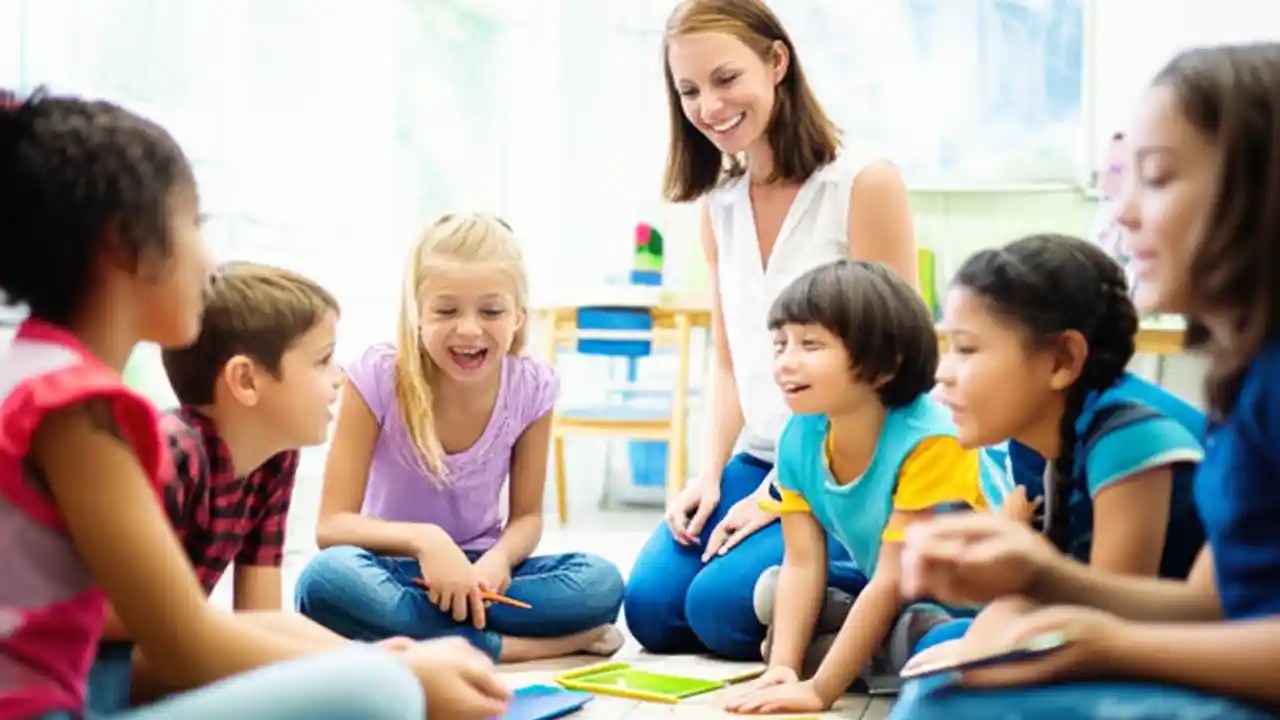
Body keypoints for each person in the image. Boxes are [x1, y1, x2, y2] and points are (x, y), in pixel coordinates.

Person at [0, 89, 508, 719]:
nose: (210, 259)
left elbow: (229, 622)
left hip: (83, 684)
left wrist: (379, 659)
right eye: (196, 226)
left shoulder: (37, 374)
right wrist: (396, 673)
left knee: (368, 671)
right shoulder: (77, 410)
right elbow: (185, 644)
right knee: (384, 693)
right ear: (125, 245)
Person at [892, 43, 1280, 719]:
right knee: (949, 682)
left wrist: (1110, 645)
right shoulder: (1246, 382)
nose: (1123, 214)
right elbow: (1210, 604)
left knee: (948, 702)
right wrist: (1040, 574)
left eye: (1157, 179)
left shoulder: (1133, 430)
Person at [624, 0, 919, 661]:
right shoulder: (719, 204)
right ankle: (826, 615)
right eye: (689, 90)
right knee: (651, 610)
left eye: (726, 78)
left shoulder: (863, 184)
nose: (709, 106)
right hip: (759, 456)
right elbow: (729, 362)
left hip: (846, 464)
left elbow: (898, 362)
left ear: (777, 62)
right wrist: (707, 476)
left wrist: (785, 490)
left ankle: (884, 601)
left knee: (717, 610)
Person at [294, 214, 625, 663]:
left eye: (491, 311)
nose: (469, 329)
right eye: (447, 311)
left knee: (599, 583)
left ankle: (419, 633)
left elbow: (527, 517)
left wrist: (499, 561)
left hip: (482, 573)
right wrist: (427, 541)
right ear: (417, 314)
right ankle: (518, 646)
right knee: (326, 581)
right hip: (389, 571)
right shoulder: (377, 377)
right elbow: (332, 525)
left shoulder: (532, 387)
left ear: (518, 316)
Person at [909, 234, 1206, 663]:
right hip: (1104, 626)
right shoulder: (1031, 441)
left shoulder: (1129, 437)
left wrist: (984, 647)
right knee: (943, 648)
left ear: (1062, 360)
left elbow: (1106, 623)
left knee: (957, 668)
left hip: (1186, 642)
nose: (943, 373)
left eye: (967, 349)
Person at [87, 261, 364, 712]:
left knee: (329, 665)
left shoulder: (274, 460)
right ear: (246, 380)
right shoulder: (173, 452)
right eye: (322, 360)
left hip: (169, 647)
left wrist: (365, 662)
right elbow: (103, 610)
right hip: (97, 659)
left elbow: (261, 617)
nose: (339, 378)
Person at [718, 261, 984, 715]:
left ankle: (873, 650)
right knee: (771, 589)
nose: (785, 363)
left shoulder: (933, 441)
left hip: (962, 605)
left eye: (811, 344)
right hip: (884, 586)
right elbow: (803, 562)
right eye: (781, 344)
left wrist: (820, 690)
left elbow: (891, 579)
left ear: (884, 364)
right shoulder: (799, 435)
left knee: (936, 643)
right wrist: (782, 667)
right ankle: (872, 651)